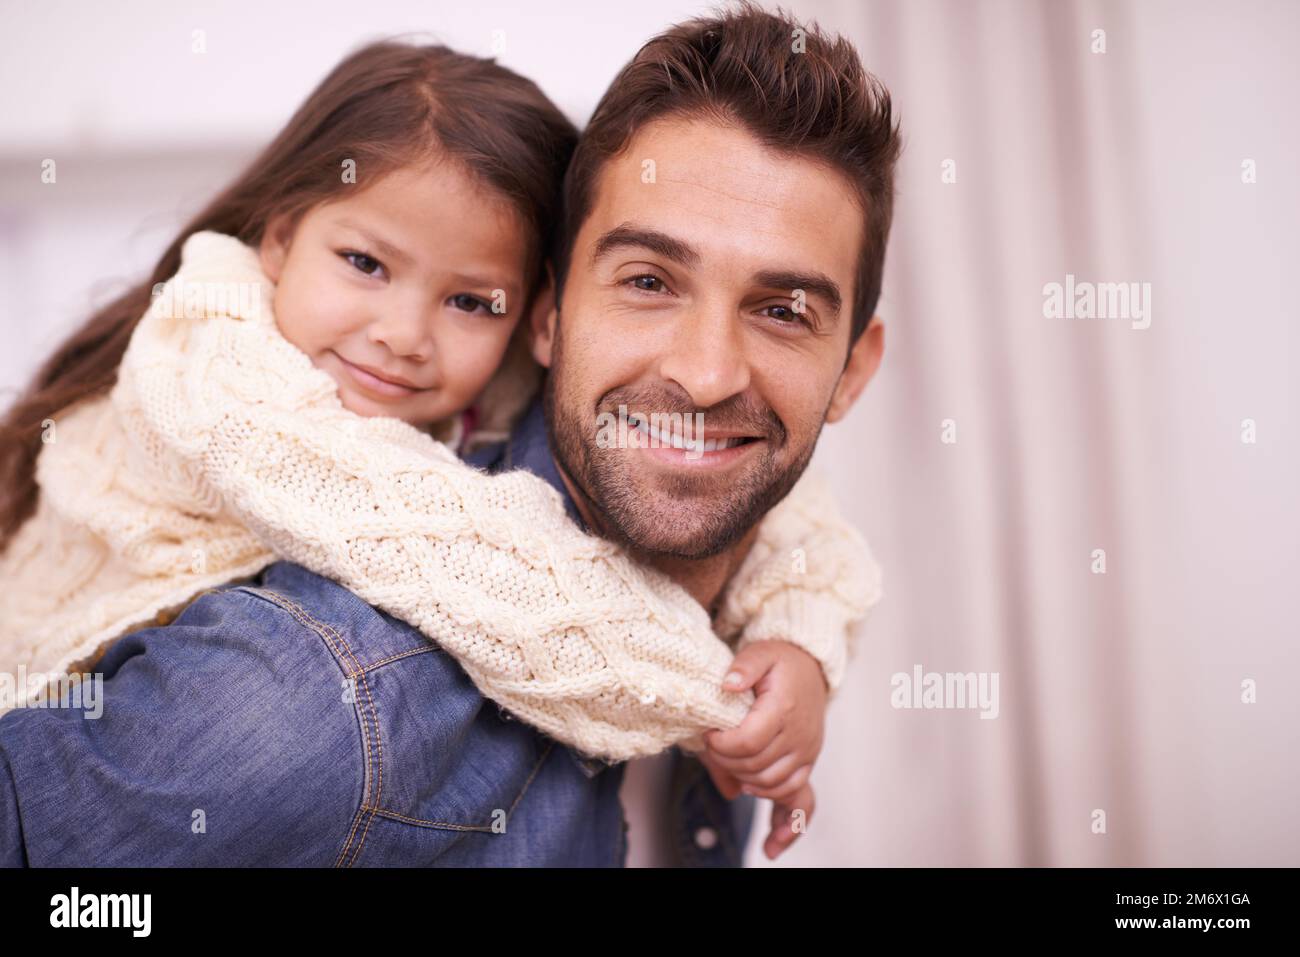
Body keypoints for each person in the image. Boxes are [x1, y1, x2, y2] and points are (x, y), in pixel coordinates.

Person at [0, 2, 898, 865]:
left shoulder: (696, 535)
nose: (706, 375)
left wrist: (803, 640)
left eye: (782, 310)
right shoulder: (322, 697)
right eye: (649, 281)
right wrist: (705, 691)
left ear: (853, 370)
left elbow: (805, 534)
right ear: (554, 316)